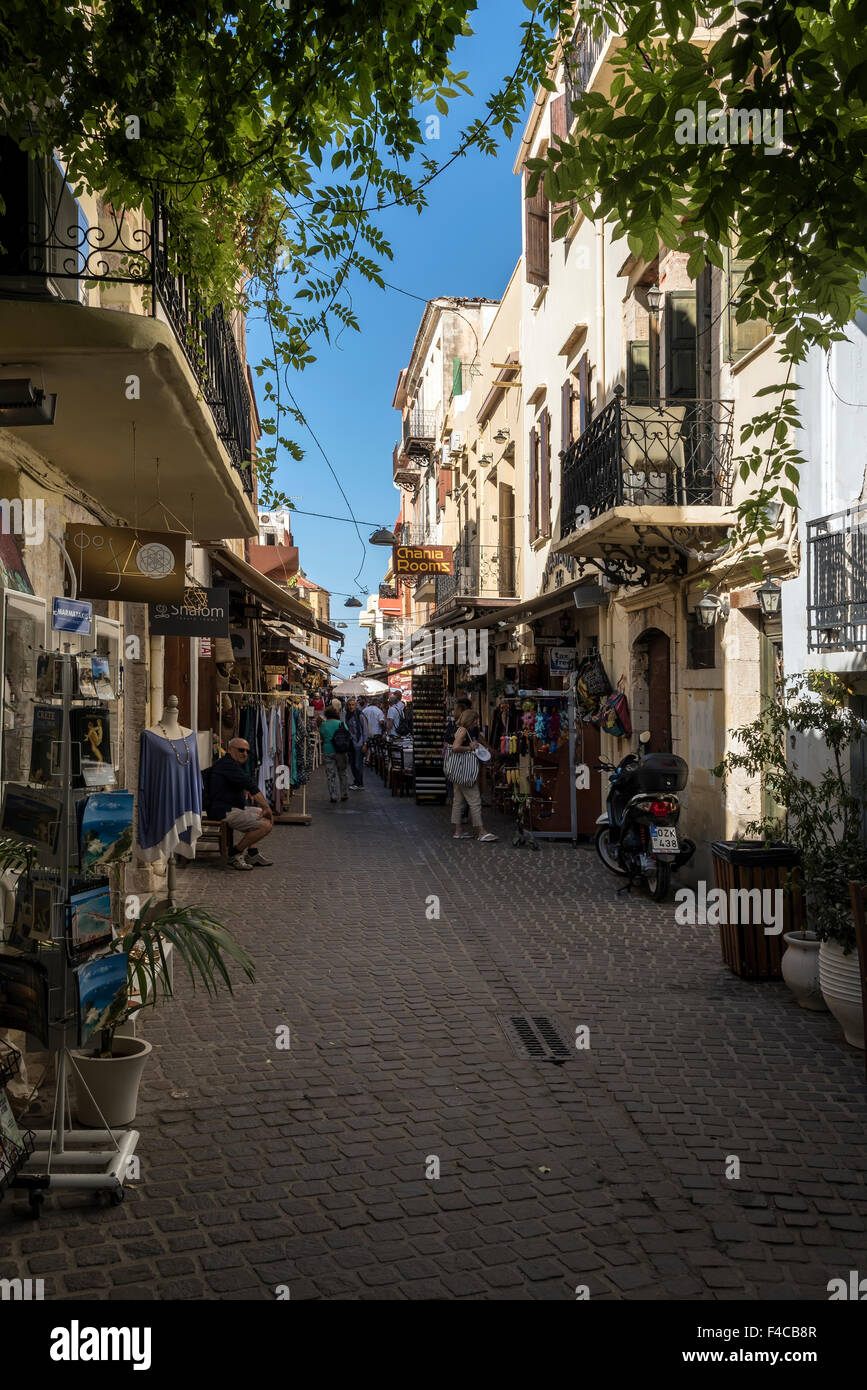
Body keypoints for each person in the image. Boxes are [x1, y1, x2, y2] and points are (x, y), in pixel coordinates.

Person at [207, 736, 275, 870]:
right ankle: (234, 853)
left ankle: (252, 853)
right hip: (223, 810)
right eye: (241, 750)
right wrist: (266, 807)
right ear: (230, 750)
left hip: (232, 807)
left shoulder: (231, 764)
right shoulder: (229, 765)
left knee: (264, 816)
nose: (245, 754)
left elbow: (242, 783)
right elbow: (251, 786)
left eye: (247, 752)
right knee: (265, 825)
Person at [450, 708, 497, 843]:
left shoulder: (455, 728)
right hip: (465, 771)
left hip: (457, 770)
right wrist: (471, 747)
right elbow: (455, 748)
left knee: (458, 801)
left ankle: (458, 831)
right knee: (475, 800)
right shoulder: (463, 731)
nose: (476, 723)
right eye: (475, 720)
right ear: (469, 720)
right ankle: (481, 831)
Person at [319, 701, 350, 802]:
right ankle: (344, 793)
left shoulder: (324, 725)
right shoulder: (341, 723)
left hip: (328, 751)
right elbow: (347, 735)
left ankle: (333, 795)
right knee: (342, 773)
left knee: (330, 775)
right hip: (341, 751)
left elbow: (322, 737)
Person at [346, 696, 366, 790]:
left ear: (356, 705)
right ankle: (356, 781)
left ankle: (359, 783)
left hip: (359, 743)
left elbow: (365, 730)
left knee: (358, 764)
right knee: (353, 764)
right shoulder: (347, 715)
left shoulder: (360, 715)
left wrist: (365, 744)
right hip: (351, 743)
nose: (351, 706)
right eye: (349, 705)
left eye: (353, 705)